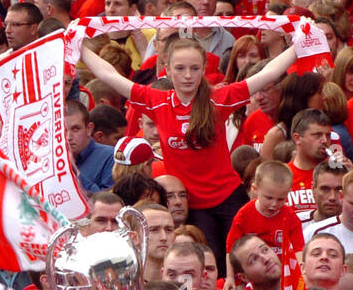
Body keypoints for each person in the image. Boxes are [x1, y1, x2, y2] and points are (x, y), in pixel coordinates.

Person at [83, 36, 297, 272]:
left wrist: (299, 44)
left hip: (228, 197)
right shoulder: (156, 101)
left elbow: (267, 74)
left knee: (244, 265)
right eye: (180, 68)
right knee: (205, 266)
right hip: (190, 204)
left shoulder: (218, 98)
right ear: (168, 69)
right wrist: (79, 49)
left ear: (204, 70)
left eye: (194, 69)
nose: (187, 75)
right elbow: (109, 75)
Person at [225, 160, 304, 260]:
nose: (274, 204)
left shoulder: (290, 217)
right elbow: (231, 251)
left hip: (283, 271)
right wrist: (230, 276)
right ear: (255, 189)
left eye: (281, 199)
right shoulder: (244, 215)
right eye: (269, 198)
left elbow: (299, 250)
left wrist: (302, 274)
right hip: (253, 270)